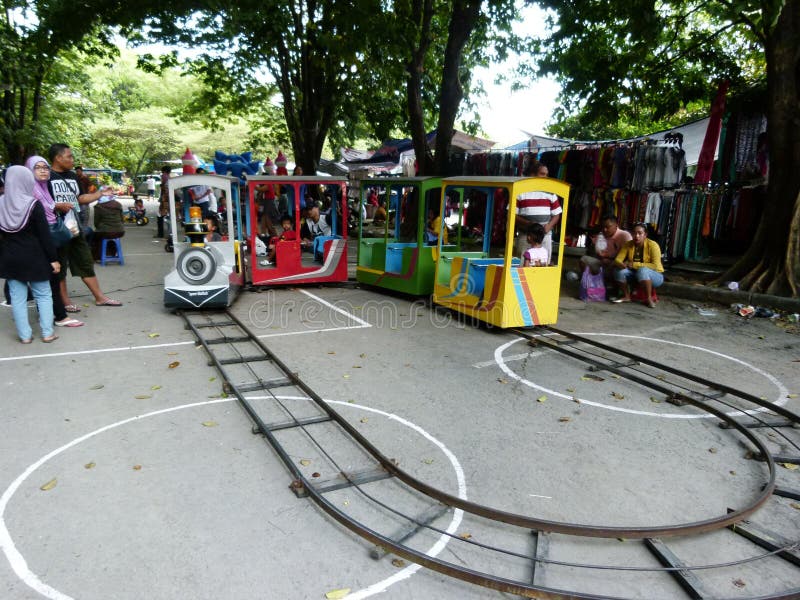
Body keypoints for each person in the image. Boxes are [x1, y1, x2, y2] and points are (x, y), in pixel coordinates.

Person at [47, 143, 122, 309]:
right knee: (60, 266)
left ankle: (100, 297)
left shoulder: (73, 176)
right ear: (58, 158)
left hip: (74, 227)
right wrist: (57, 205)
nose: (72, 159)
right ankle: (65, 302)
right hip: (56, 229)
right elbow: (41, 202)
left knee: (85, 261)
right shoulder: (47, 177)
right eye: (69, 156)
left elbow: (80, 198)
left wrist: (100, 193)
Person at [0, 166, 60, 343]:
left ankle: (25, 336)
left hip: (10, 257)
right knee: (43, 294)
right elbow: (45, 236)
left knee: (18, 299)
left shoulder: (1, 202)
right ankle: (47, 333)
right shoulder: (33, 204)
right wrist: (54, 259)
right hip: (35, 257)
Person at [24, 155, 84, 328]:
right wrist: (57, 206)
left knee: (49, 277)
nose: (43, 170)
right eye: (38, 167)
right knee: (51, 276)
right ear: (29, 170)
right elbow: (41, 211)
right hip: (42, 238)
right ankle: (59, 316)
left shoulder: (44, 187)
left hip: (48, 235)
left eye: (45, 167)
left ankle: (50, 313)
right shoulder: (32, 189)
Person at [514, 162, 561, 262]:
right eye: (542, 174)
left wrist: (549, 225)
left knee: (543, 264)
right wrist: (529, 224)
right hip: (526, 236)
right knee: (523, 265)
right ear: (533, 175)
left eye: (547, 174)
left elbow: (557, 214)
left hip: (545, 236)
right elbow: (512, 215)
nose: (546, 177)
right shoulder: (520, 191)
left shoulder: (551, 192)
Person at [612, 222, 664, 308]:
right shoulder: (628, 244)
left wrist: (635, 264)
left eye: (640, 233)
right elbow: (617, 259)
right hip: (636, 274)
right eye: (634, 233)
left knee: (642, 270)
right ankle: (627, 296)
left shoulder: (653, 245)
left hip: (656, 276)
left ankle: (649, 298)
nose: (636, 236)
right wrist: (622, 264)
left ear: (645, 235)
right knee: (618, 271)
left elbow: (655, 265)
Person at [91, 195, 125, 260]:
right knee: (110, 235)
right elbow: (122, 220)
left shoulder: (98, 206)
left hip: (105, 231)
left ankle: (97, 256)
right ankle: (111, 253)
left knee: (95, 236)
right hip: (120, 231)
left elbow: (96, 222)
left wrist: (99, 228)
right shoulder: (118, 205)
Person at [157, 165, 171, 238]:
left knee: (160, 214)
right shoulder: (169, 177)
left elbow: (163, 187)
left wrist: (161, 199)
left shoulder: (164, 176)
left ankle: (160, 233)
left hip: (164, 198)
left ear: (164, 170)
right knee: (168, 215)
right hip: (168, 198)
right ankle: (169, 232)